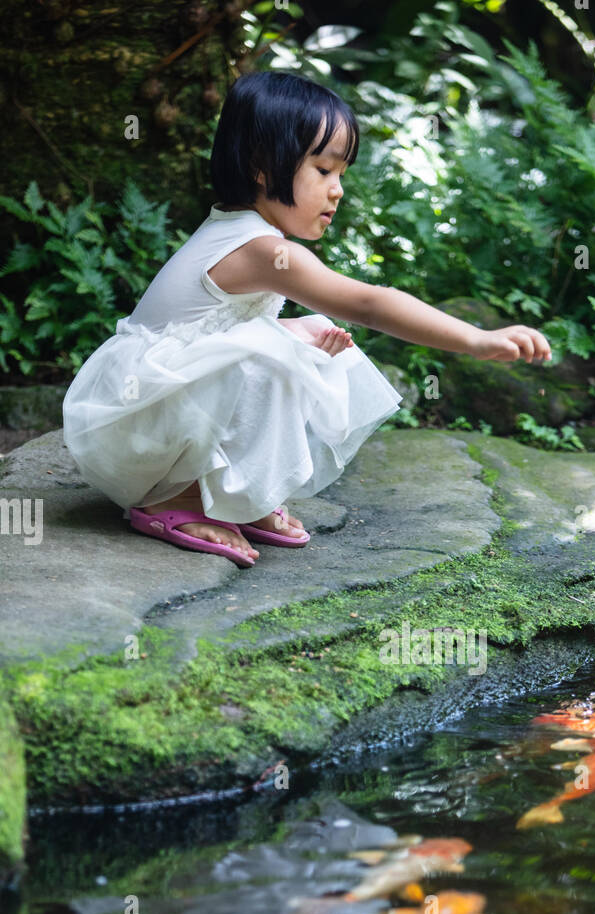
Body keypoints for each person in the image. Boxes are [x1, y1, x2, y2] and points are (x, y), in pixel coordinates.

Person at [63, 71, 552, 568]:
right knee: (278, 350)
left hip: (150, 413)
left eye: (341, 174)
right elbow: (368, 302)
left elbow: (214, 330)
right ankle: (174, 499)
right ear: (261, 165)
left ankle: (236, 495)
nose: (337, 191)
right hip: (135, 427)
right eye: (322, 170)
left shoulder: (246, 231)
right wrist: (476, 339)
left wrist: (296, 333)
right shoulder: (260, 249)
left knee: (314, 335)